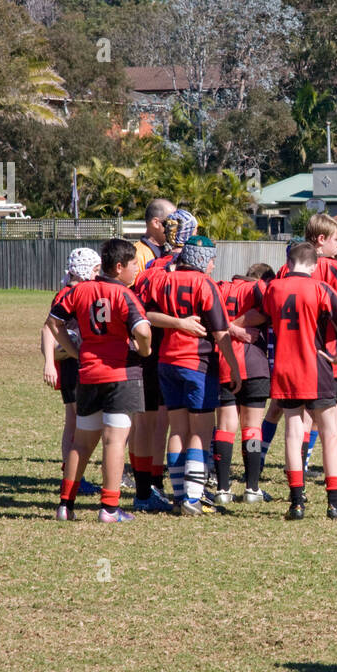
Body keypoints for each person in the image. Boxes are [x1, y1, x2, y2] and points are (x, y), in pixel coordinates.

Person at [234, 242, 337, 521]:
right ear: (314, 266)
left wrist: (234, 324)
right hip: (315, 367)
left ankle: (296, 503)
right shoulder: (319, 288)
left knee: (292, 429)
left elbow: (259, 316)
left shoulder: (274, 288)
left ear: (288, 263)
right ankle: (334, 502)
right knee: (328, 431)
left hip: (284, 369)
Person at [46, 238, 151, 523]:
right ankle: (109, 508)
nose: (136, 271)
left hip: (89, 375)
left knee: (82, 442)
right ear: (119, 268)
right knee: (114, 440)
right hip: (120, 375)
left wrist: (74, 351)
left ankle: (65, 505)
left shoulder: (80, 290)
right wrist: (145, 350)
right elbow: (142, 330)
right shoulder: (125, 295)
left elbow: (53, 322)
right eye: (133, 266)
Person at [145, 235, 240, 515]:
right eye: (211, 261)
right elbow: (222, 333)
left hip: (166, 362)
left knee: (178, 429)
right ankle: (193, 498)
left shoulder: (162, 280)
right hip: (197, 362)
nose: (212, 267)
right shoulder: (205, 284)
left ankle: (177, 494)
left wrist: (175, 324)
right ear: (201, 260)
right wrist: (233, 367)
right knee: (200, 431)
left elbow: (146, 314)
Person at [129, 209, 197, 510]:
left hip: (145, 350)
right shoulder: (191, 269)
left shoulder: (149, 269)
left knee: (146, 422)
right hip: (179, 353)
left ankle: (147, 486)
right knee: (169, 423)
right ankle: (165, 487)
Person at [41, 247, 103, 496]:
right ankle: (74, 476)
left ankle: (72, 473)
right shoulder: (71, 293)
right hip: (74, 366)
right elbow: (48, 328)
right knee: (79, 423)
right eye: (96, 270)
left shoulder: (73, 290)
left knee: (73, 421)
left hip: (73, 364)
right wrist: (48, 362)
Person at [213, 268, 272, 504]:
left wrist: (226, 327)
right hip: (254, 362)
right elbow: (268, 310)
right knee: (253, 428)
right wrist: (236, 327)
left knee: (225, 426)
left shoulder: (218, 287)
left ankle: (222, 490)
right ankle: (252, 488)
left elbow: (209, 319)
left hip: (223, 361)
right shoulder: (258, 288)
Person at [133, 198, 179, 273]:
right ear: (156, 223)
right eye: (171, 223)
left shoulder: (169, 250)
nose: (176, 228)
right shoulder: (137, 254)